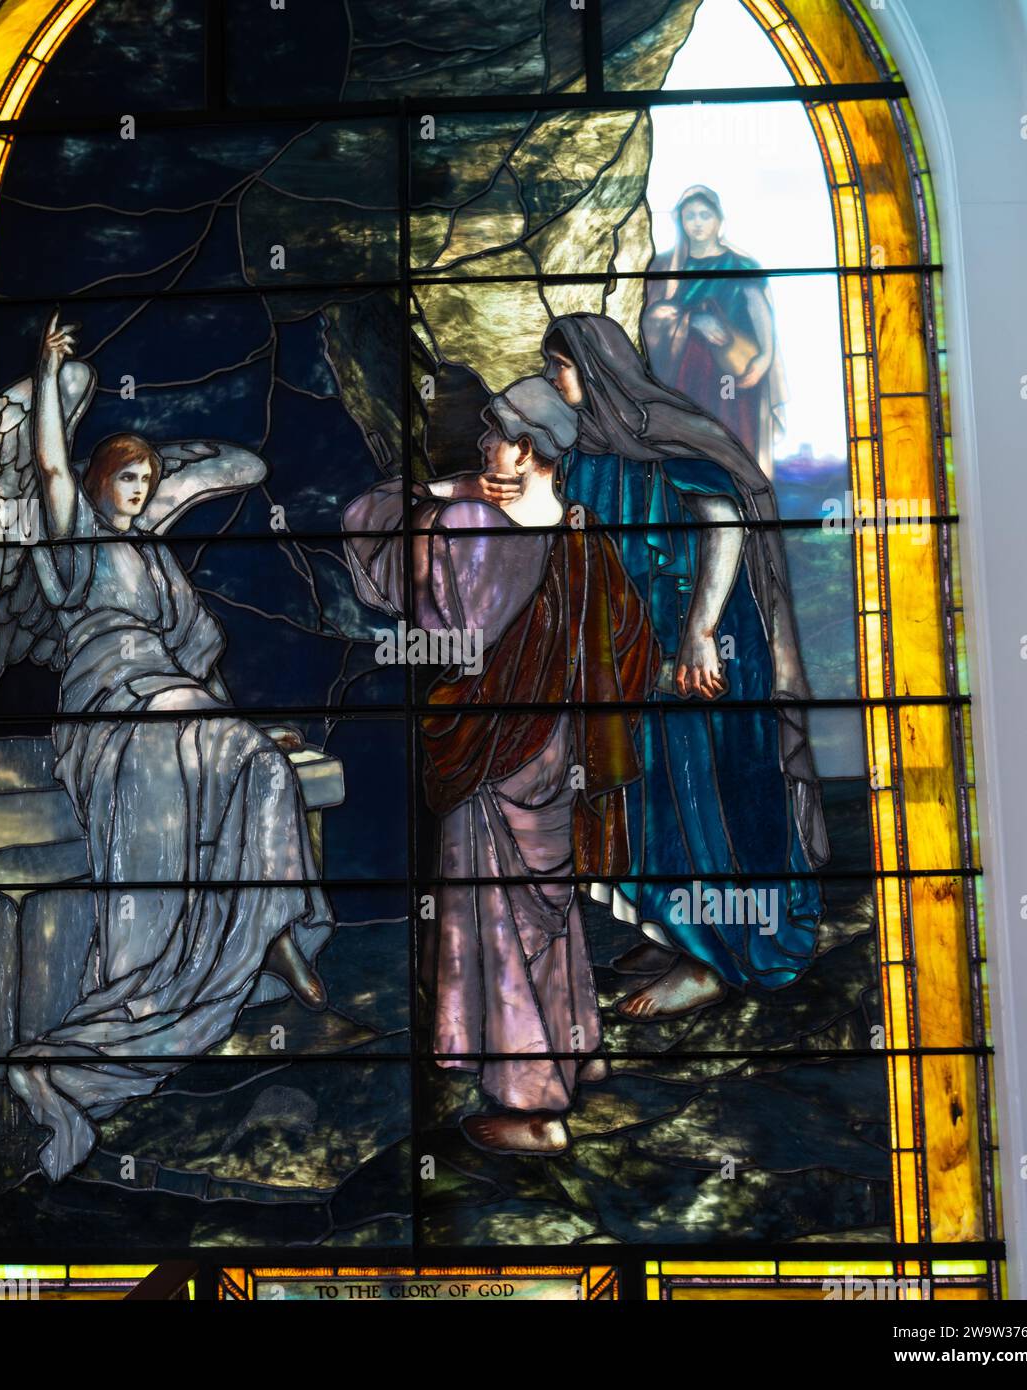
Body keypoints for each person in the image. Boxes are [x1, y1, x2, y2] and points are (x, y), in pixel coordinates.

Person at [2, 313, 332, 1182]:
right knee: (210, 742)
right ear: (101, 480)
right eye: (129, 476)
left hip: (173, 700)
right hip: (108, 705)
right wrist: (46, 376)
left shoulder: (159, 562)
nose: (142, 489)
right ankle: (191, 963)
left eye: (149, 478)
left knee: (258, 762)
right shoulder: (76, 543)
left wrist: (245, 726)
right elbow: (44, 463)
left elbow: (195, 663)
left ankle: (271, 927)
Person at [344, 377, 656, 1155]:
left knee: (497, 917)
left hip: (491, 751)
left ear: (524, 447)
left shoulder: (472, 525)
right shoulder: (584, 535)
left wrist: (448, 489)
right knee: (546, 911)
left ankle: (532, 1105)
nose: (483, 448)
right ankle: (579, 1048)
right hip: (561, 754)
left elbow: (371, 528)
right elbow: (633, 642)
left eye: (494, 436)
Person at [528, 312, 828, 1021]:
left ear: (594, 368)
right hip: (634, 651)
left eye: (559, 367)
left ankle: (718, 956)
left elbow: (725, 525)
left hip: (701, 646)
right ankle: (678, 927)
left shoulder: (662, 434)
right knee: (652, 791)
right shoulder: (591, 448)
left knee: (704, 791)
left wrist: (700, 633)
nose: (552, 380)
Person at [641, 185, 787, 480]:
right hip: (684, 373)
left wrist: (764, 359)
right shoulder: (664, 267)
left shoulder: (740, 265)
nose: (697, 222)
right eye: (690, 215)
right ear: (680, 221)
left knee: (734, 438)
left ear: (719, 220)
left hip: (732, 373)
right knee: (690, 441)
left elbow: (761, 315)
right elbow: (649, 321)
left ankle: (743, 504)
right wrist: (691, 321)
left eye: (704, 215)